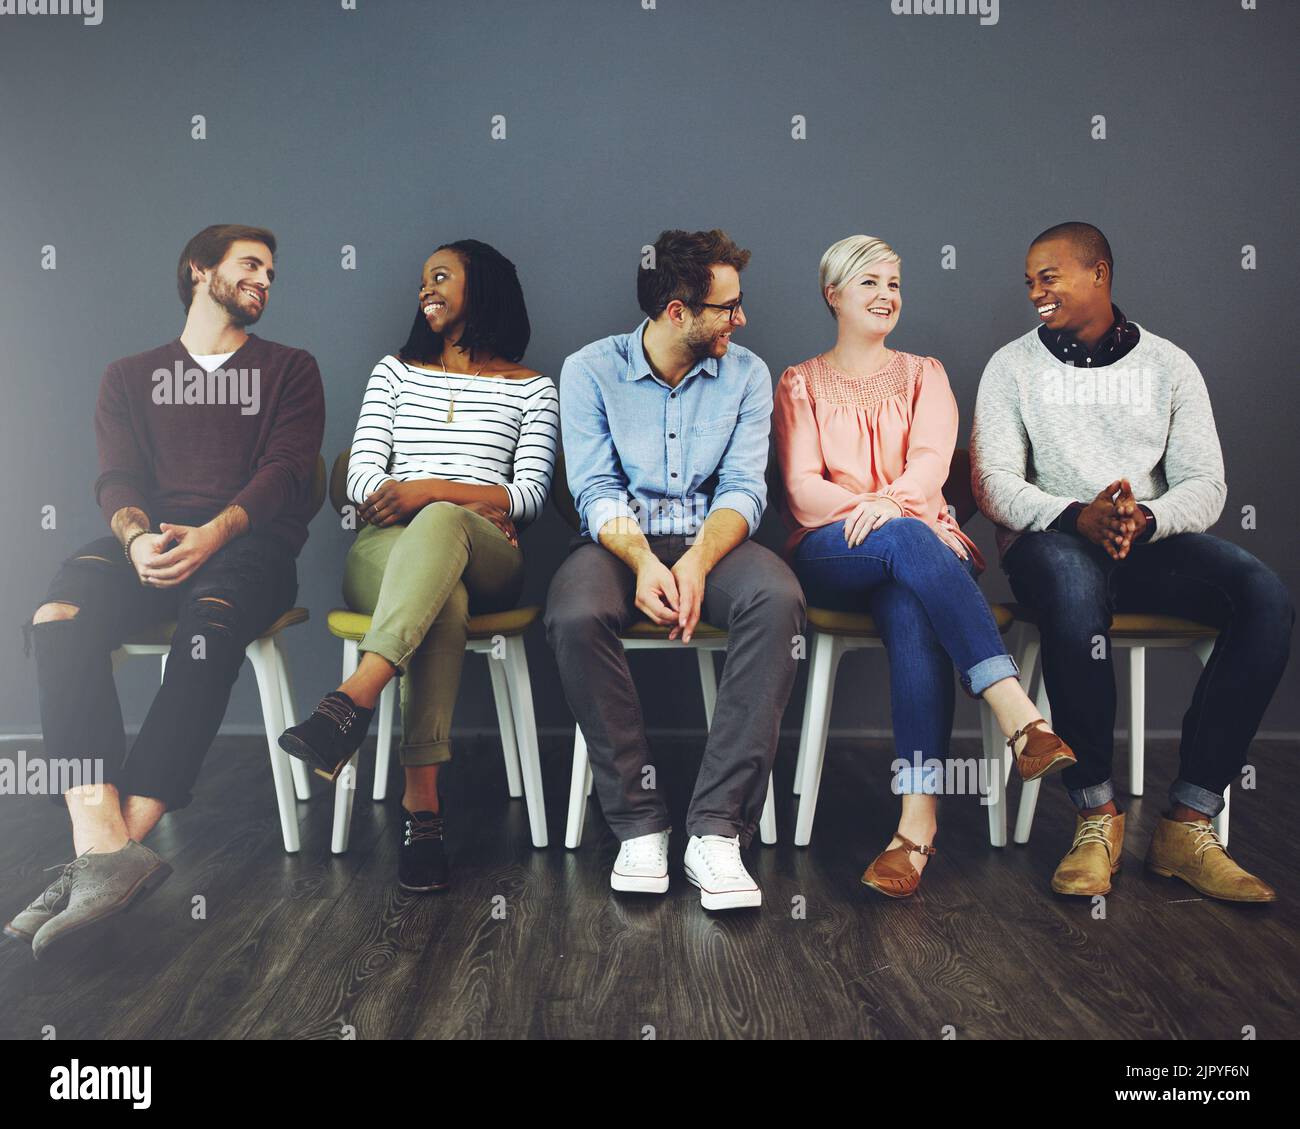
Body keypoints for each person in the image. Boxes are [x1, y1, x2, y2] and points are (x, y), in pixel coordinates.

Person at [7, 224, 325, 959]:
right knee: (56, 616)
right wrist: (136, 537)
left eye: (272, 272)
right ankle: (102, 847)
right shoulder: (129, 375)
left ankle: (101, 864)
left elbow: (284, 473)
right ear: (197, 271)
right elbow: (116, 479)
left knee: (208, 627)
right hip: (150, 545)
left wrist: (212, 534)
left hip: (250, 548)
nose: (265, 280)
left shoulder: (290, 368)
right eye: (251, 265)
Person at [970, 221, 1292, 902]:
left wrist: (1144, 519)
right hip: (1049, 540)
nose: (1034, 292)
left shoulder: (1169, 365)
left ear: (1099, 273)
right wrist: (1074, 514)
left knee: (1263, 594)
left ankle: (1188, 823)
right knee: (1072, 583)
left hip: (1145, 542)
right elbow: (992, 483)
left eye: (1047, 277)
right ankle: (1095, 815)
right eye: (1028, 281)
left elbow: (1206, 484)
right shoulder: (1012, 366)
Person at [774, 234, 1076, 898]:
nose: (888, 296)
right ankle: (1017, 711)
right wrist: (877, 507)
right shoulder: (799, 382)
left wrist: (891, 502)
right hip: (835, 547)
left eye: (895, 284)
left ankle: (916, 826)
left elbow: (932, 466)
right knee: (911, 538)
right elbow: (801, 489)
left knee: (912, 598)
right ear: (833, 295)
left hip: (917, 548)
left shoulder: (925, 374)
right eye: (870, 284)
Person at [279, 240, 557, 893]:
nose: (425, 289)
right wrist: (450, 496)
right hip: (387, 549)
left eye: (440, 277)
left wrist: (430, 490)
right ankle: (422, 810)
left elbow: (530, 496)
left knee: (440, 522)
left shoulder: (534, 388)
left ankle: (350, 703)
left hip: (489, 554)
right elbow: (365, 478)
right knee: (444, 599)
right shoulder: (396, 372)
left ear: (481, 286)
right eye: (422, 281)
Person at [545, 229, 805, 911]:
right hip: (614, 542)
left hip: (709, 540)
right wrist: (638, 560)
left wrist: (693, 559)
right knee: (574, 613)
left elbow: (745, 489)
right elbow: (595, 489)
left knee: (777, 599)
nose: (740, 319)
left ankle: (716, 830)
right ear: (676, 312)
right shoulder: (588, 370)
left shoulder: (748, 372)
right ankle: (638, 822)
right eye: (727, 307)